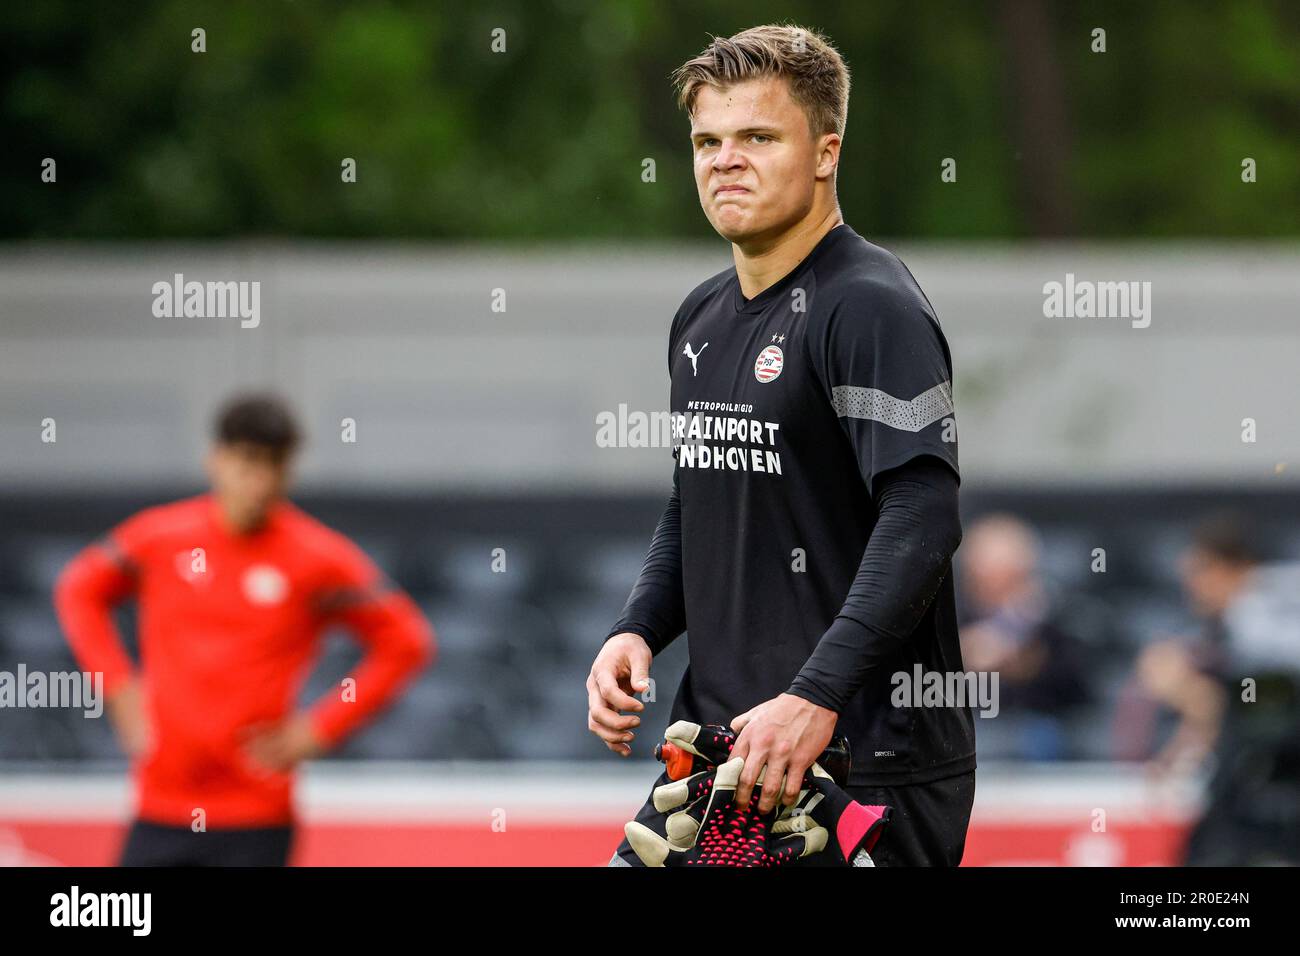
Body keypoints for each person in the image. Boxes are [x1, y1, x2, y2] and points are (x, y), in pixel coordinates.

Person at [586, 24, 974, 866]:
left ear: (826, 151)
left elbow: (922, 514)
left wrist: (815, 694)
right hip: (724, 759)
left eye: (757, 137)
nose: (726, 159)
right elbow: (701, 496)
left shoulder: (870, 306)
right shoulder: (701, 315)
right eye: (707, 141)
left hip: (864, 759)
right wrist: (639, 628)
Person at [54, 393, 434, 866]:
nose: (260, 480)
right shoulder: (159, 538)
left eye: (275, 465)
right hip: (162, 803)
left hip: (256, 815)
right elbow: (78, 588)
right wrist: (117, 686)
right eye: (248, 462)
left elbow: (407, 641)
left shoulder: (317, 557)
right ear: (215, 459)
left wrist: (319, 728)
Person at [958, 514, 1092, 760]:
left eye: (1005, 571)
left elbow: (1078, 687)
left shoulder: (1054, 616)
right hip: (967, 722)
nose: (992, 579)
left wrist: (1025, 661)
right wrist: (962, 654)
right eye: (985, 569)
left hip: (1037, 724)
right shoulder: (950, 614)